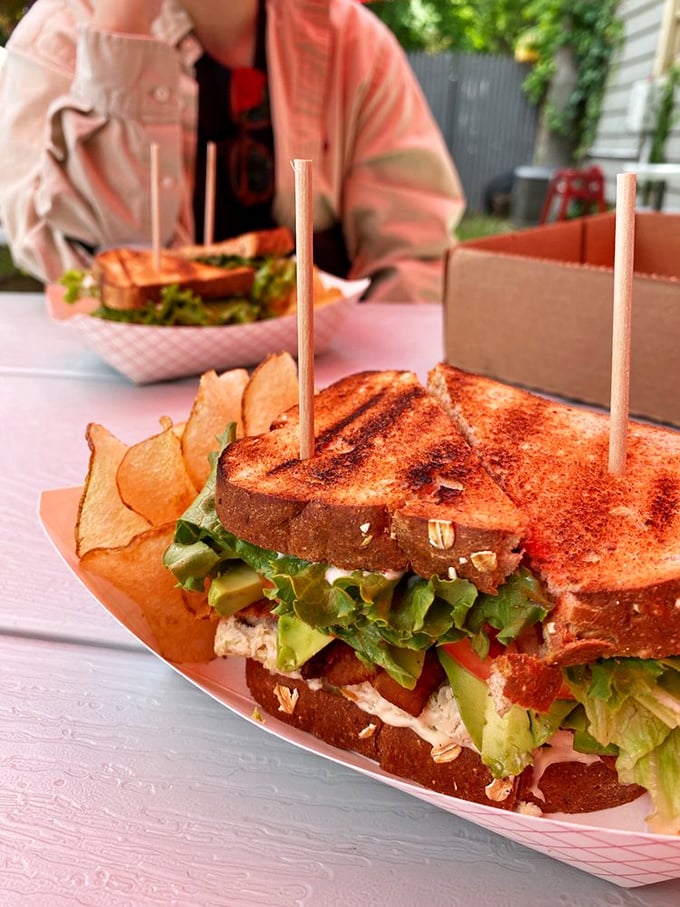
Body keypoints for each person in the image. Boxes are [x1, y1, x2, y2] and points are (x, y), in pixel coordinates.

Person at [0, 0, 464, 302]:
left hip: (325, 377)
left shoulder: (356, 42)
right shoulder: (54, 40)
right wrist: (121, 35)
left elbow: (414, 257)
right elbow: (69, 263)